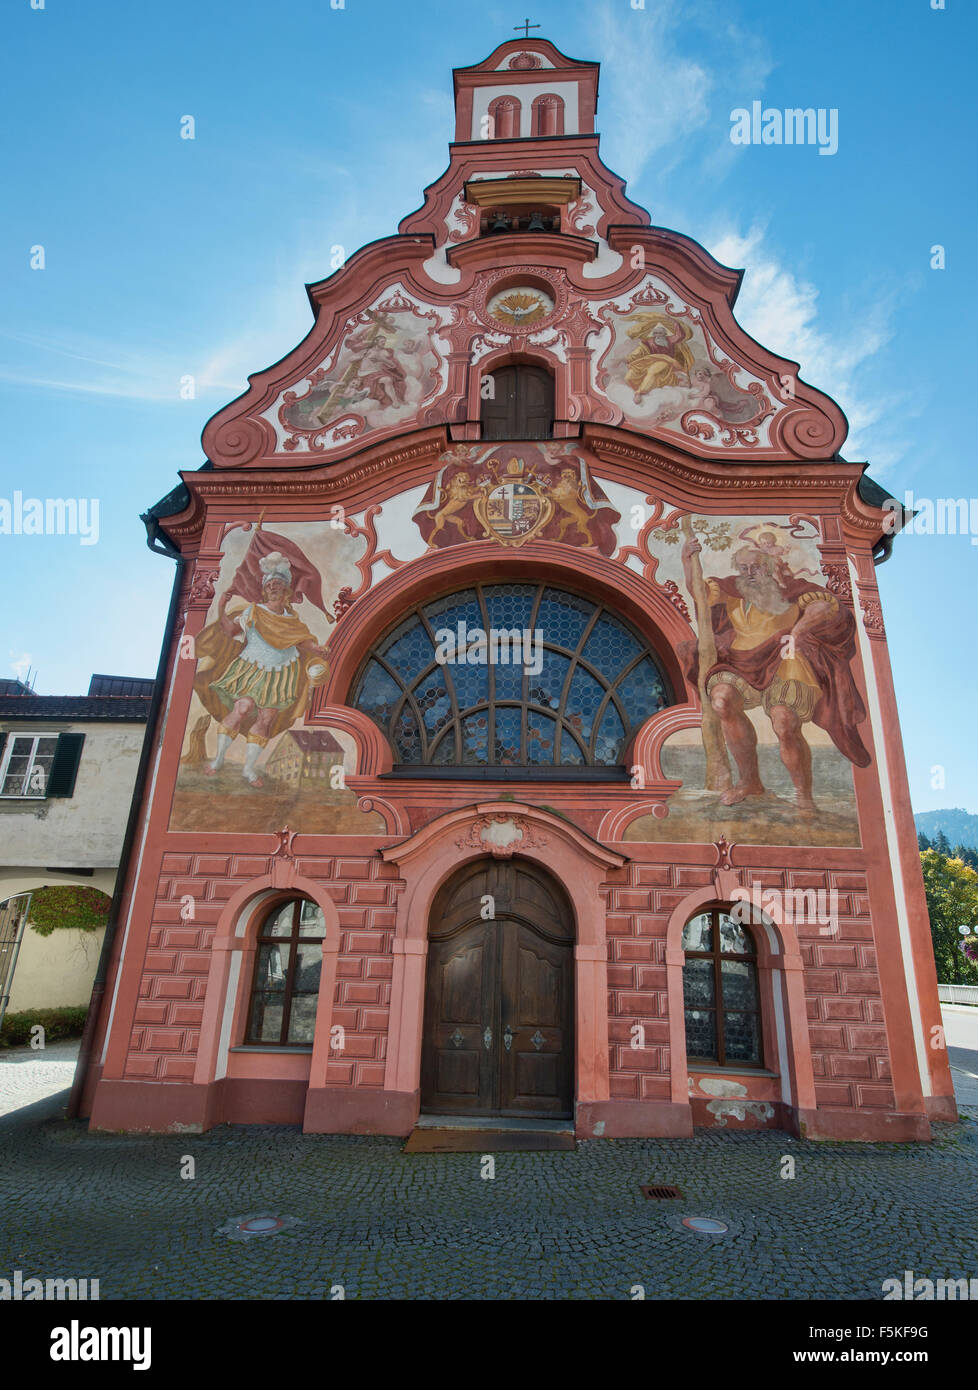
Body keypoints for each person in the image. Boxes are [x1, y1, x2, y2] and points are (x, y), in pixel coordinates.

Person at [682, 538, 870, 814]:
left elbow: (826, 607)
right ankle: (750, 782)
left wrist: (798, 630)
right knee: (722, 700)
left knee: (785, 722)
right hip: (741, 660)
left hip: (786, 659)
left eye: (756, 567)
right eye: (743, 567)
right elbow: (699, 592)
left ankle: (804, 797)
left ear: (769, 568)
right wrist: (688, 561)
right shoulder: (731, 590)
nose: (749, 573)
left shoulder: (791, 590)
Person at [197, 553, 329, 788]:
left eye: (278, 585)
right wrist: (221, 605)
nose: (273, 588)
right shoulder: (254, 612)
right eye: (269, 585)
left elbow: (302, 641)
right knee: (242, 707)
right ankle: (218, 760)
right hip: (252, 667)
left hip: (281, 673)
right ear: (265, 591)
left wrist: (317, 649)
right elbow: (228, 630)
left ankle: (248, 768)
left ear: (286, 591)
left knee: (266, 718)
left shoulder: (294, 622)